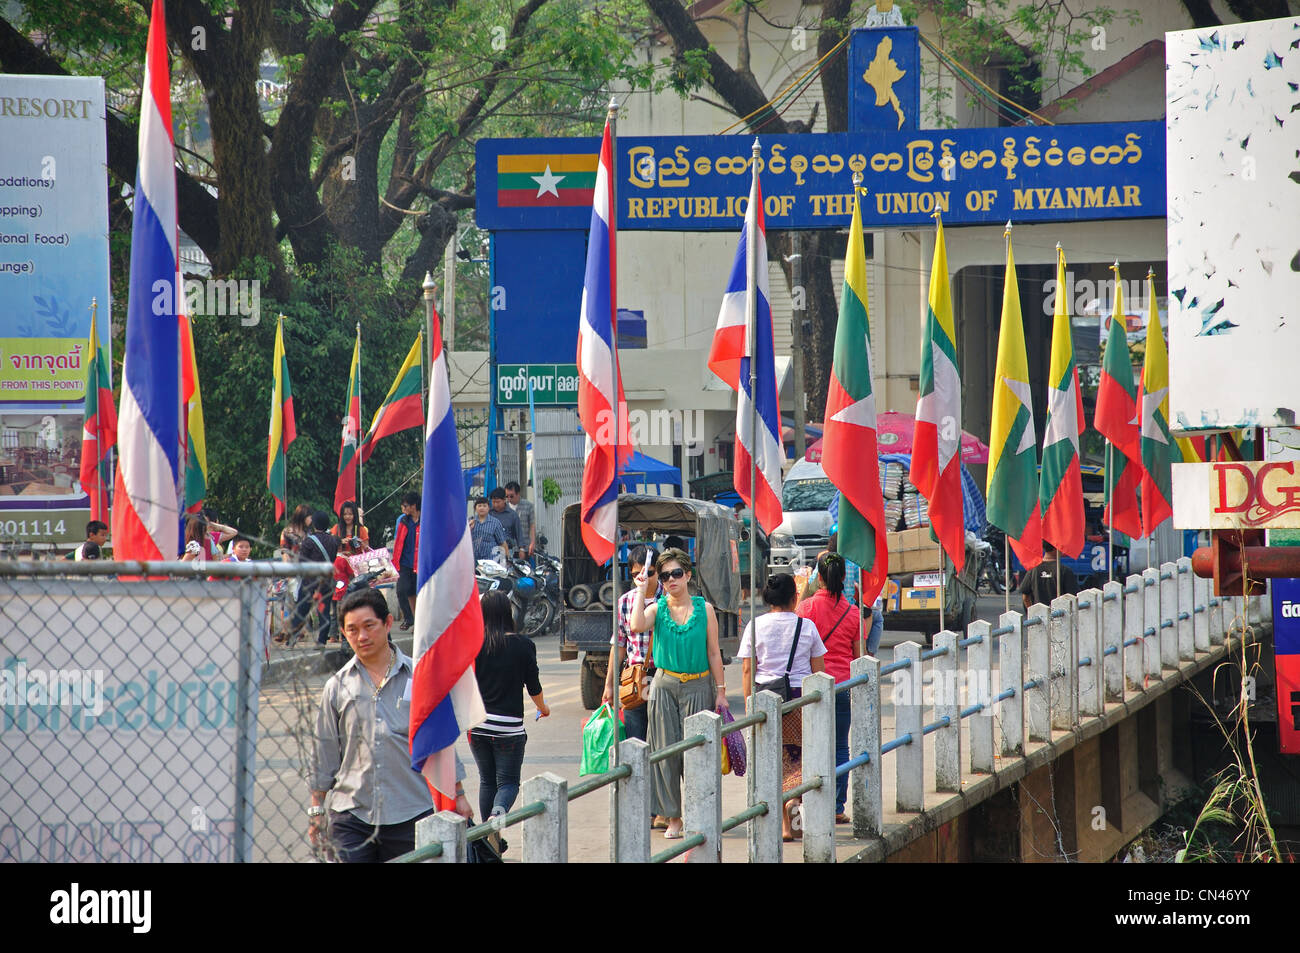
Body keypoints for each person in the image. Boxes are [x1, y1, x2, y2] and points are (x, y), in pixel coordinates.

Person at [310, 588, 473, 862]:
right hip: (351, 814)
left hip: (411, 811)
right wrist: (316, 809)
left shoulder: (421, 678)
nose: (361, 636)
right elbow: (324, 752)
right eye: (352, 630)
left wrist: (458, 794)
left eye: (368, 626)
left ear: (387, 623)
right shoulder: (336, 686)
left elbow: (442, 741)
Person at [629, 548, 727, 840]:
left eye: (676, 574)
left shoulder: (704, 609)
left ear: (687, 575)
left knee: (696, 753)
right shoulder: (657, 608)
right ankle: (673, 817)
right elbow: (636, 626)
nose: (670, 580)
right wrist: (640, 591)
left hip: (699, 685)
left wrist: (721, 692)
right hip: (663, 686)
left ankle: (700, 814)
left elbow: (713, 652)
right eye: (665, 576)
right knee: (664, 754)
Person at [740, 572, 827, 841]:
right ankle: (794, 801)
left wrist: (748, 704)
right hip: (801, 698)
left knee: (773, 759)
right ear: (794, 598)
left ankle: (782, 826)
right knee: (802, 756)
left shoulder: (755, 625)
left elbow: (746, 669)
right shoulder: (807, 627)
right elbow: (818, 671)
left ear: (767, 598)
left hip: (766, 698)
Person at [469, 591, 549, 827]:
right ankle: (497, 816)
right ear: (508, 612)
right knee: (508, 783)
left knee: (487, 781)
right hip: (508, 730)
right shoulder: (523, 645)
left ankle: (487, 837)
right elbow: (533, 686)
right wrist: (543, 708)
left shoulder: (474, 644)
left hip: (477, 725)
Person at [797, 553, 863, 824]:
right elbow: (859, 655)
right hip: (843, 686)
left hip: (812, 687)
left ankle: (811, 801)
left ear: (819, 578)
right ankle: (836, 806)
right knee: (839, 747)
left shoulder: (806, 609)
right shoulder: (853, 612)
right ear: (844, 578)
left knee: (811, 745)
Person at [601, 544, 661, 742]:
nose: (642, 579)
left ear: (658, 571)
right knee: (636, 740)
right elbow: (618, 646)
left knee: (663, 740)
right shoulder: (625, 601)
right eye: (636, 574)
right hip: (634, 677)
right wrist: (609, 684)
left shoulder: (671, 599)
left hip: (663, 675)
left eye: (649, 573)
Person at [1019, 543, 1079, 611]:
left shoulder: (1033, 570)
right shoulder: (1064, 570)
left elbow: (1025, 597)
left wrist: (1031, 612)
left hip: (1039, 615)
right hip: (1060, 615)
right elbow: (1073, 597)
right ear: (1055, 548)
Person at [392, 492, 421, 631]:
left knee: (417, 593)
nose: (403, 508)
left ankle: (419, 623)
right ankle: (409, 618)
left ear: (413, 506)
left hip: (420, 563)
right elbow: (397, 540)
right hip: (404, 562)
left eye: (405, 505)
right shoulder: (402, 520)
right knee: (402, 590)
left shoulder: (426, 519)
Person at [468, 496, 509, 564]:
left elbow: (502, 542)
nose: (482, 508)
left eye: (484, 506)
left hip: (491, 560)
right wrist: (468, 528)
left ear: (489, 508)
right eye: (479, 505)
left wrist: (506, 560)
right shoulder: (470, 522)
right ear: (475, 508)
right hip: (473, 560)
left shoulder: (495, 522)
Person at [504, 481, 535, 557]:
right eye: (506, 496)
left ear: (518, 494)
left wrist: (532, 543)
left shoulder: (528, 506)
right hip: (508, 548)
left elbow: (532, 525)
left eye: (511, 496)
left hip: (525, 546)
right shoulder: (504, 508)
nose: (509, 499)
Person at [489, 487, 522, 555]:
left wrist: (521, 549)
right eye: (493, 502)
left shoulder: (512, 515)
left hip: (507, 550)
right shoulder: (489, 513)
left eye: (498, 502)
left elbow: (519, 534)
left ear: (504, 500)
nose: (495, 505)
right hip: (490, 550)